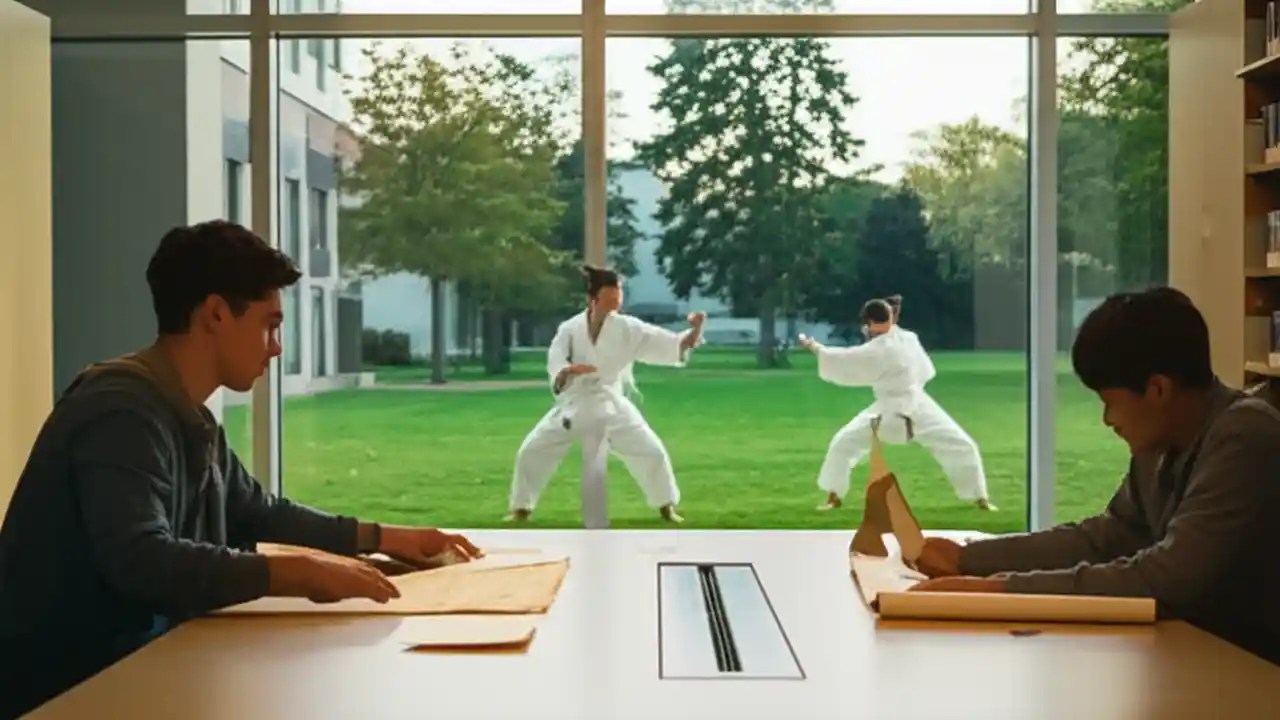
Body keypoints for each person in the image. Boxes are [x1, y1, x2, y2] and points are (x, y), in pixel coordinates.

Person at [0, 221, 483, 719]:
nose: (276, 347)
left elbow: (257, 511)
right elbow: (140, 558)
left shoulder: (184, 413)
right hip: (65, 691)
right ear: (214, 314)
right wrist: (297, 573)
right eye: (269, 325)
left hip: (132, 672)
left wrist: (385, 538)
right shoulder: (121, 411)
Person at [910, 287, 1280, 666]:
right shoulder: (1164, 441)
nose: (1107, 420)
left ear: (1157, 390)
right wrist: (969, 558)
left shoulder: (1245, 436)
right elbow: (1106, 539)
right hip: (1199, 661)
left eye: (1109, 402)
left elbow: (1166, 581)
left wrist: (999, 591)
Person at [506, 265, 705, 525]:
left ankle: (666, 506)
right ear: (593, 299)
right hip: (575, 404)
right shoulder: (570, 329)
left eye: (618, 300)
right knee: (531, 450)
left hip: (612, 405)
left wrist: (696, 329)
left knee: (652, 452)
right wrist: (567, 371)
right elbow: (556, 359)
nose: (615, 306)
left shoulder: (628, 328)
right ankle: (521, 508)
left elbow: (672, 344)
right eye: (609, 300)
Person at [798, 294, 994, 512]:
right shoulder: (908, 338)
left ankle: (833, 496)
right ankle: (981, 497)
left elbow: (842, 359)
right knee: (962, 444)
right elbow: (925, 370)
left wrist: (813, 346)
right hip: (919, 405)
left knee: (843, 444)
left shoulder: (876, 349)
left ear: (869, 322)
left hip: (890, 409)